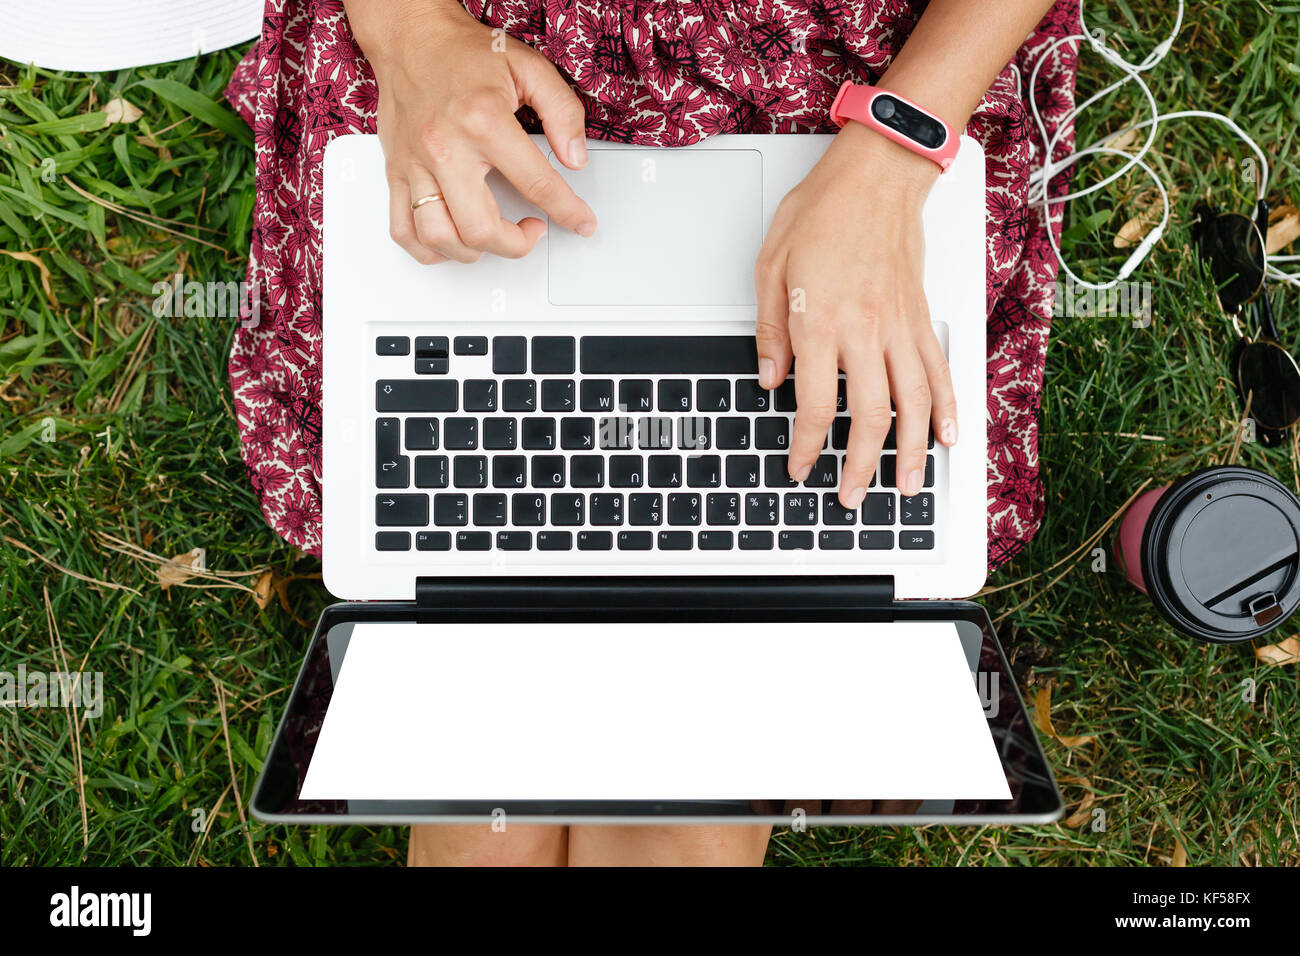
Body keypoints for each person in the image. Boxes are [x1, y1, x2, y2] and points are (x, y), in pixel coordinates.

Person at [224, 0, 1081, 865]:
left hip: (852, 82)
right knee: (521, 822)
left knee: (645, 822)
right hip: (483, 54)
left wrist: (896, 147)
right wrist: (412, 36)